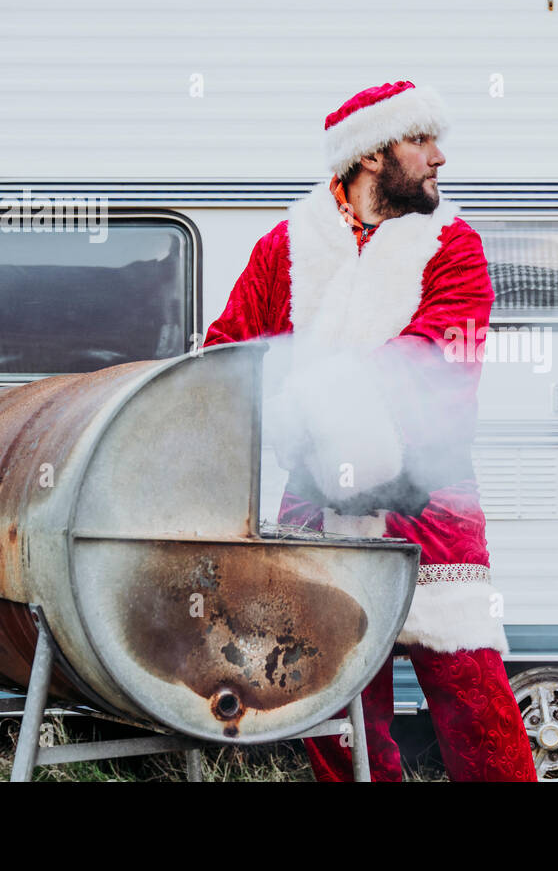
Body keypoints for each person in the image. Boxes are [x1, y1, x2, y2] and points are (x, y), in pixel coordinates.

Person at [202, 80, 537, 782]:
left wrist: (311, 403)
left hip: (429, 494)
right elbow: (228, 354)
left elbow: (437, 357)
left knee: (470, 684)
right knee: (329, 693)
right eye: (421, 141)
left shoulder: (455, 246)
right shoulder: (284, 248)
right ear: (372, 155)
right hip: (313, 503)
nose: (439, 157)